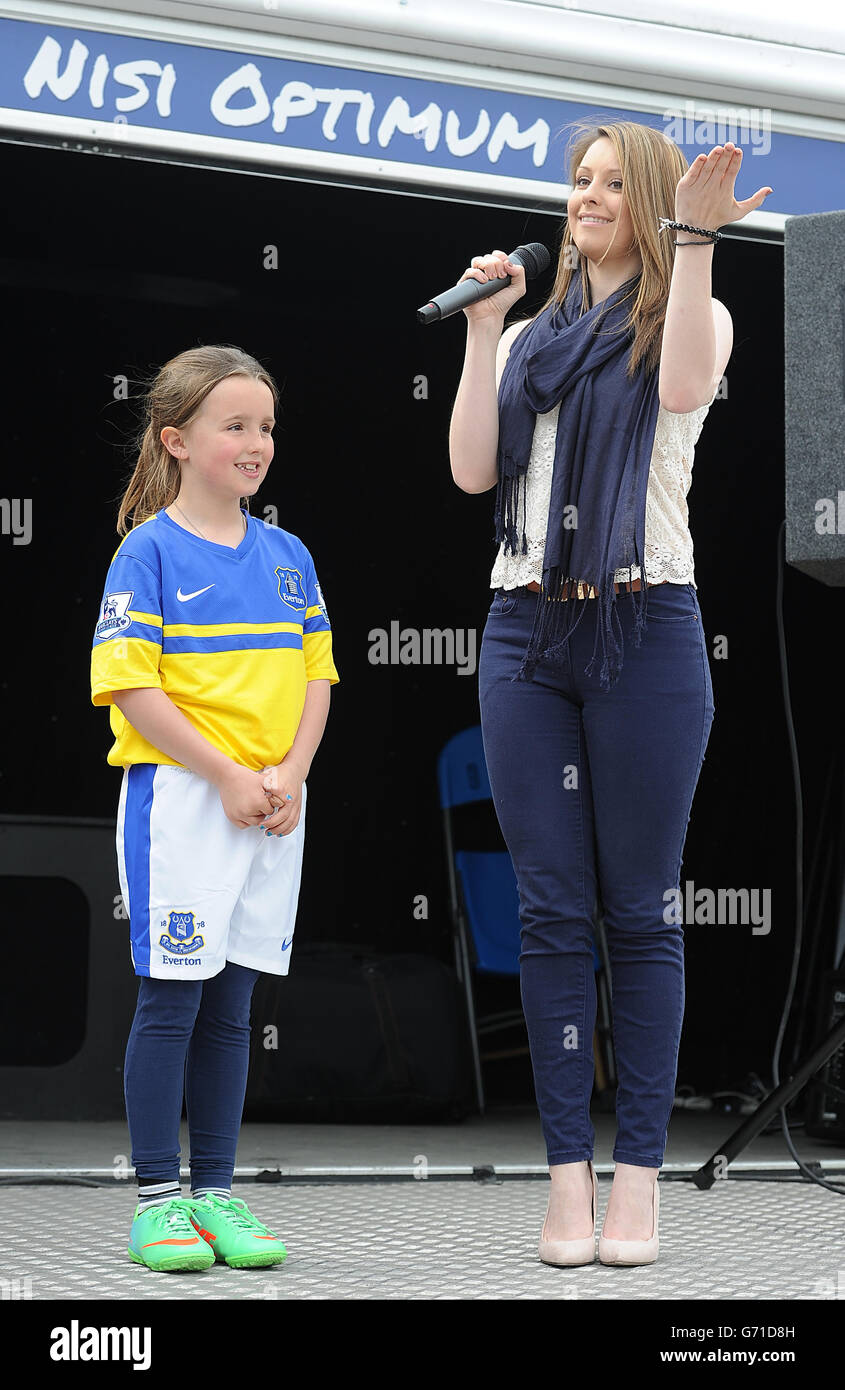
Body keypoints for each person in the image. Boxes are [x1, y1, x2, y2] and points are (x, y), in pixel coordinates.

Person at [449, 120, 771, 1266]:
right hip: (526, 619)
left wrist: (693, 239)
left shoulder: (687, 305)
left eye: (602, 182)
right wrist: (483, 330)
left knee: (636, 910)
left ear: (643, 201)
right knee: (548, 909)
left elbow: (684, 379)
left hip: (644, 620)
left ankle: (637, 1180)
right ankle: (564, 1181)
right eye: (572, 179)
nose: (581, 196)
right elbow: (475, 469)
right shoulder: (532, 334)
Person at [90, 344, 339, 1272]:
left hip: (274, 804)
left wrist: (291, 773)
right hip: (186, 806)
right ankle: (158, 1201)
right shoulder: (147, 550)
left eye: (265, 426)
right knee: (173, 1002)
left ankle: (218, 1196)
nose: (255, 442)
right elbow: (129, 688)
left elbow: (317, 677)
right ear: (176, 440)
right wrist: (228, 774)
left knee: (232, 1009)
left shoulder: (289, 555)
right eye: (234, 426)